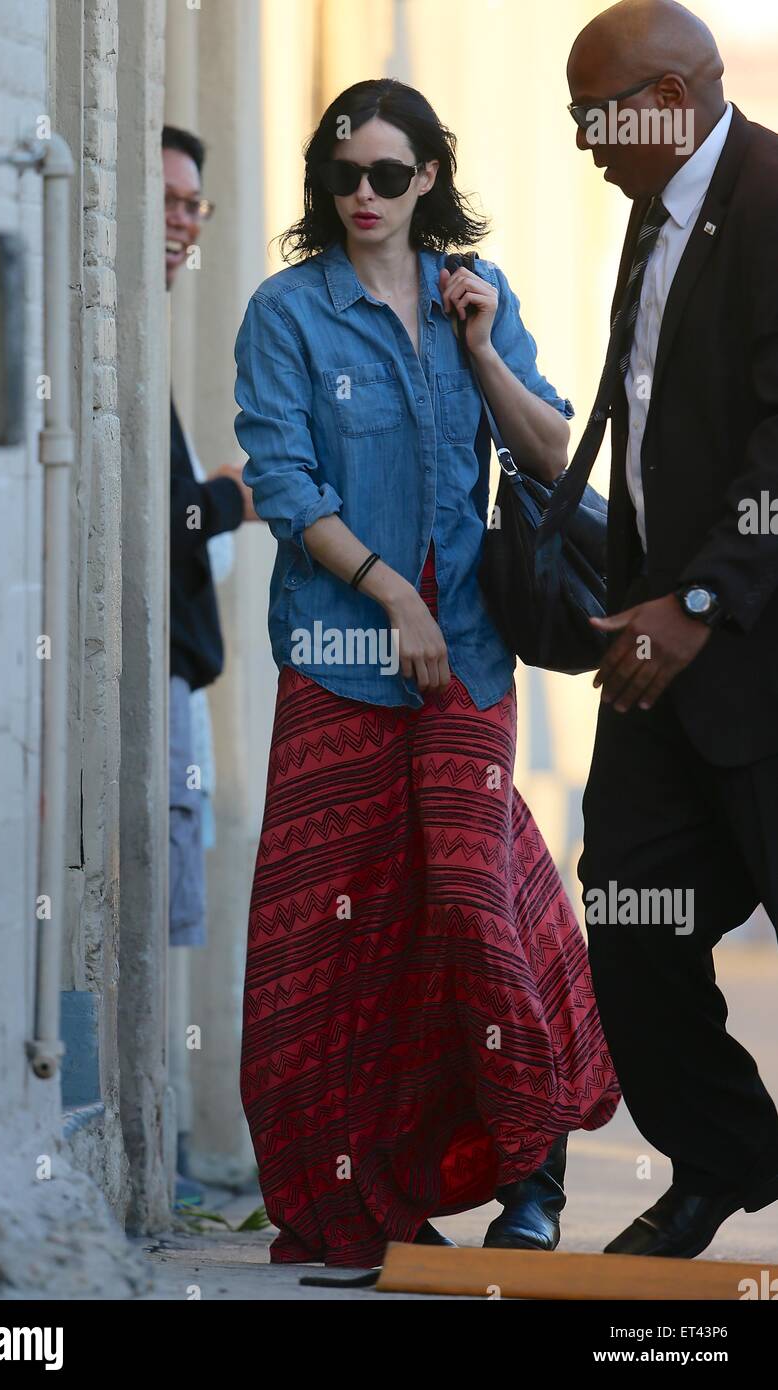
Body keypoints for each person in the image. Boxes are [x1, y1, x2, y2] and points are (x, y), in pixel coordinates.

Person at [233, 78, 620, 1268]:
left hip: (468, 665)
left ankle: (528, 1168)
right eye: (342, 175)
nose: (362, 195)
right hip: (338, 658)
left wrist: (478, 344)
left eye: (387, 176)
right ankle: (347, 1194)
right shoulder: (286, 312)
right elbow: (284, 482)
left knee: (467, 893)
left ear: (427, 180)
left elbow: (556, 452)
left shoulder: (476, 302)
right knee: (322, 929)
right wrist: (390, 594)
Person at [564, 0, 778, 1258]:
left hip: (748, 644)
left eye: (592, 115)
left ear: (665, 96)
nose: (582, 142)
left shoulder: (769, 198)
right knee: (632, 917)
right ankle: (723, 1160)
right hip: (650, 661)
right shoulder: (648, 212)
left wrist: (700, 600)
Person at [163, 124, 258, 1199]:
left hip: (181, 683)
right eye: (170, 199)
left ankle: (181, 1152)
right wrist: (231, 496)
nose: (185, 221)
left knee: (173, 910)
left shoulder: (154, 351)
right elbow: (155, 521)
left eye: (196, 204)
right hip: (147, 693)